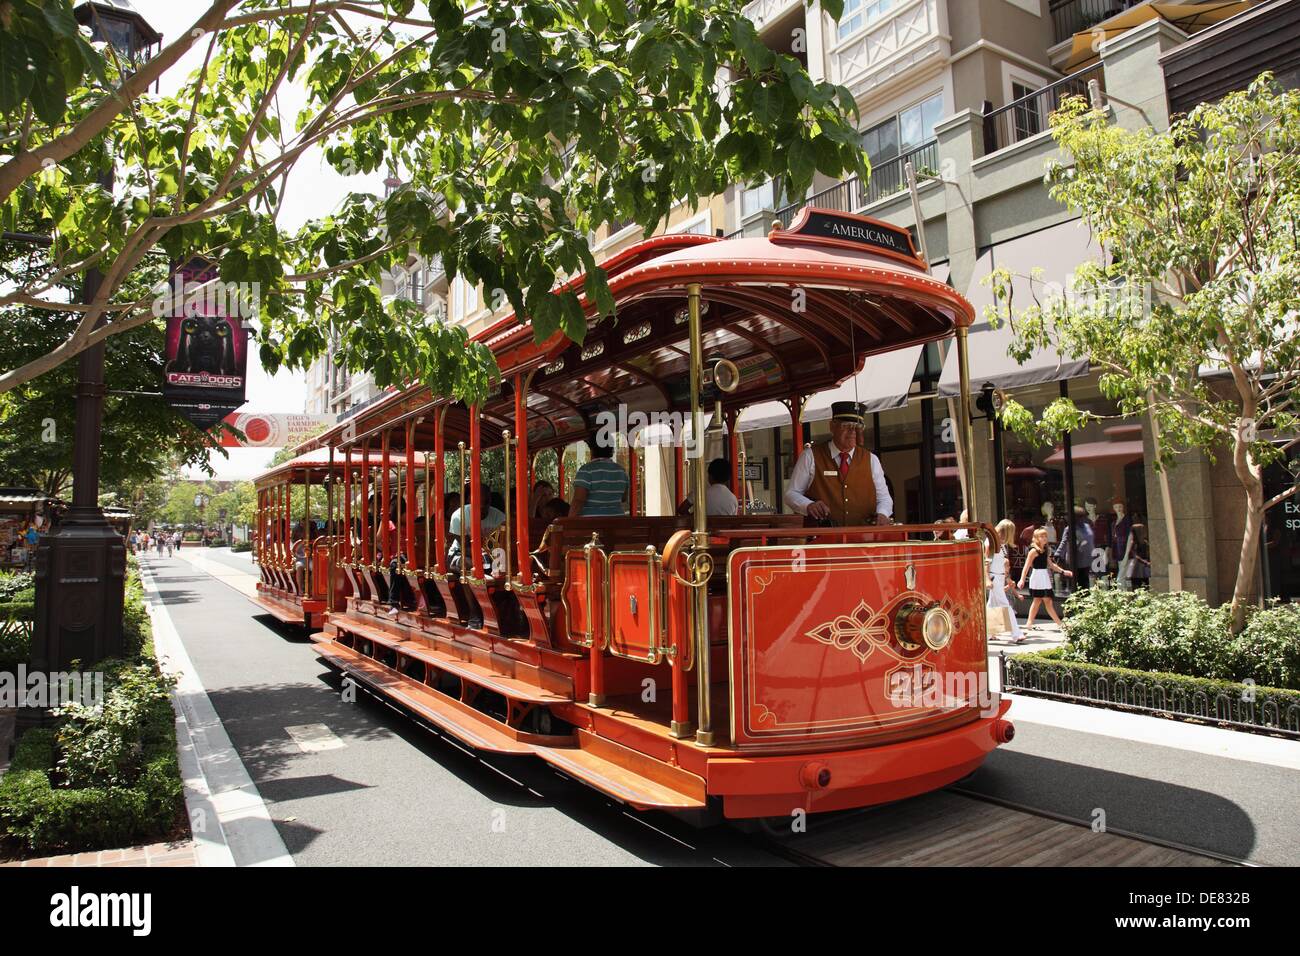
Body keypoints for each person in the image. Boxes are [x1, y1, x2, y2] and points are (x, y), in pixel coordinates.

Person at [784, 401, 892, 526]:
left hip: (862, 538)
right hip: (822, 539)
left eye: (857, 426)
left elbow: (884, 498)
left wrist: (883, 513)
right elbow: (791, 494)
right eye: (846, 425)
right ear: (832, 426)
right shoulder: (810, 456)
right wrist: (808, 505)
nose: (853, 431)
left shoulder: (871, 460)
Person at [1017, 526, 1073, 630]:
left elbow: (1051, 565)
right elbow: (1026, 566)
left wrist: (1063, 571)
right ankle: (1059, 623)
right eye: (1041, 536)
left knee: (1038, 600)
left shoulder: (1045, 550)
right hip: (1038, 577)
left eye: (1045, 536)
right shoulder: (1033, 551)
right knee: (1046, 600)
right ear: (1036, 538)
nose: (1044, 538)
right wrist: (1022, 579)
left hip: (1044, 577)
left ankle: (1029, 623)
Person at [988, 518, 1024, 643]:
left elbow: (1000, 564)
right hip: (994, 576)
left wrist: (1007, 578)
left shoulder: (1001, 544)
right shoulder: (992, 543)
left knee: (992, 605)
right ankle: (1016, 633)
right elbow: (986, 562)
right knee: (1005, 604)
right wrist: (987, 579)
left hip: (999, 575)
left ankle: (990, 633)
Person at [570, 440, 628, 517]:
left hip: (593, 523)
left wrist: (568, 522)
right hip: (617, 521)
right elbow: (623, 498)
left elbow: (579, 501)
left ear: (592, 450)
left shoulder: (587, 470)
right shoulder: (621, 471)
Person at [1056, 506, 1095, 590]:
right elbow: (1064, 542)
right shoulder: (1071, 528)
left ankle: (1083, 599)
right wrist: (1058, 554)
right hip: (1076, 560)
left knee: (1083, 582)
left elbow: (1090, 540)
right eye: (1080, 516)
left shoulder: (1086, 526)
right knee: (1078, 582)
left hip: (1084, 559)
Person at [1126, 524, 1151, 589]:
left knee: (1143, 585)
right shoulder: (1133, 543)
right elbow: (1134, 555)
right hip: (1137, 567)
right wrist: (1145, 562)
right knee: (1138, 585)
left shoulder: (1145, 542)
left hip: (1142, 567)